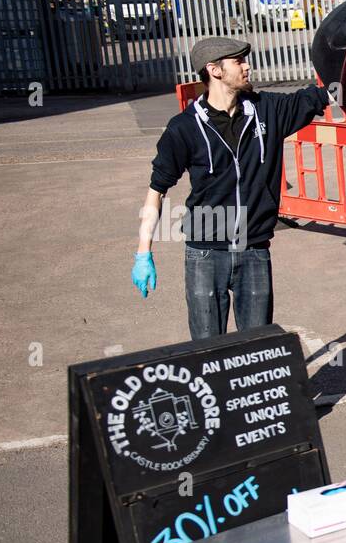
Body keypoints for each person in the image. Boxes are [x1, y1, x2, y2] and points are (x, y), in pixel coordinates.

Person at [134, 37, 331, 339]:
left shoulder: (267, 111)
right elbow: (156, 191)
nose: (247, 66)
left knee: (255, 351)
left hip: (254, 248)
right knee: (208, 350)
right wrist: (143, 254)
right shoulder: (183, 128)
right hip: (205, 253)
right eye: (238, 61)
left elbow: (317, 97)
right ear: (214, 70)